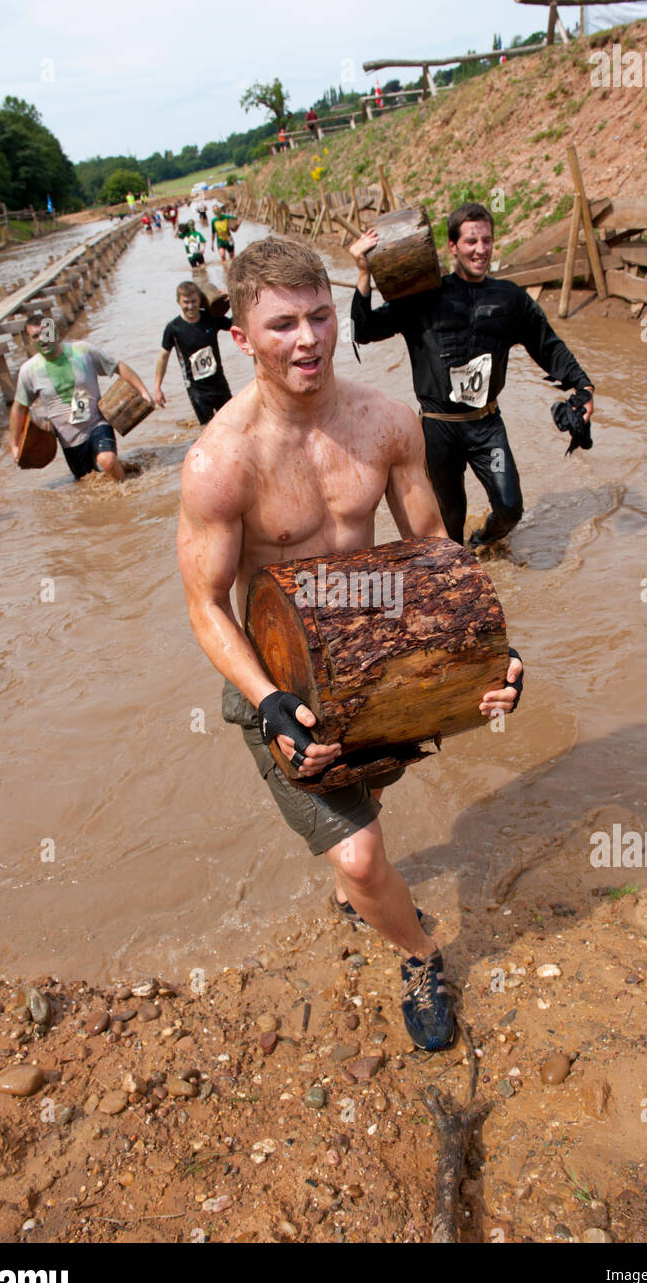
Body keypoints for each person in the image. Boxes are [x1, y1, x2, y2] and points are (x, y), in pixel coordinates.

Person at [177, 238, 524, 1052]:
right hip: (278, 677)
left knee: (368, 818)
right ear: (241, 337)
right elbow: (204, 604)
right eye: (283, 324)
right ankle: (422, 953)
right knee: (365, 856)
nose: (308, 340)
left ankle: (352, 882)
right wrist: (269, 704)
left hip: (382, 660)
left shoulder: (385, 423)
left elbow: (434, 553)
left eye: (321, 315)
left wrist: (494, 653)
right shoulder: (221, 463)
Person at [350, 201, 595, 550]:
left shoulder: (509, 299)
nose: (480, 250)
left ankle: (484, 540)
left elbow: (548, 345)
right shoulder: (423, 298)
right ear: (452, 246)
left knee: (510, 508)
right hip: (438, 430)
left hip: (486, 426)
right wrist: (363, 273)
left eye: (487, 241)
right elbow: (363, 330)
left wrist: (583, 387)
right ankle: (463, 576)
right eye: (471, 242)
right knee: (450, 523)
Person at [10, 313, 154, 482]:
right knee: (86, 480)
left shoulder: (82, 351)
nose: (42, 339)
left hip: (96, 423)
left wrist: (143, 392)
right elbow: (19, 407)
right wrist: (14, 444)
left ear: (55, 333)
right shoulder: (29, 371)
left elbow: (118, 366)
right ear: (29, 341)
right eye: (35, 336)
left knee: (108, 461)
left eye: (45, 333)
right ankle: (124, 472)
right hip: (68, 439)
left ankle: (127, 492)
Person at [155, 281, 233, 425]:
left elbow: (235, 324)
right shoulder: (173, 329)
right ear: (178, 302)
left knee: (233, 422)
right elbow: (163, 357)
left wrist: (232, 298)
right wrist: (157, 387)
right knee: (208, 428)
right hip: (197, 390)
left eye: (194, 301)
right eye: (186, 302)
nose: (190, 306)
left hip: (219, 382)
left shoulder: (211, 317)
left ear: (200, 300)